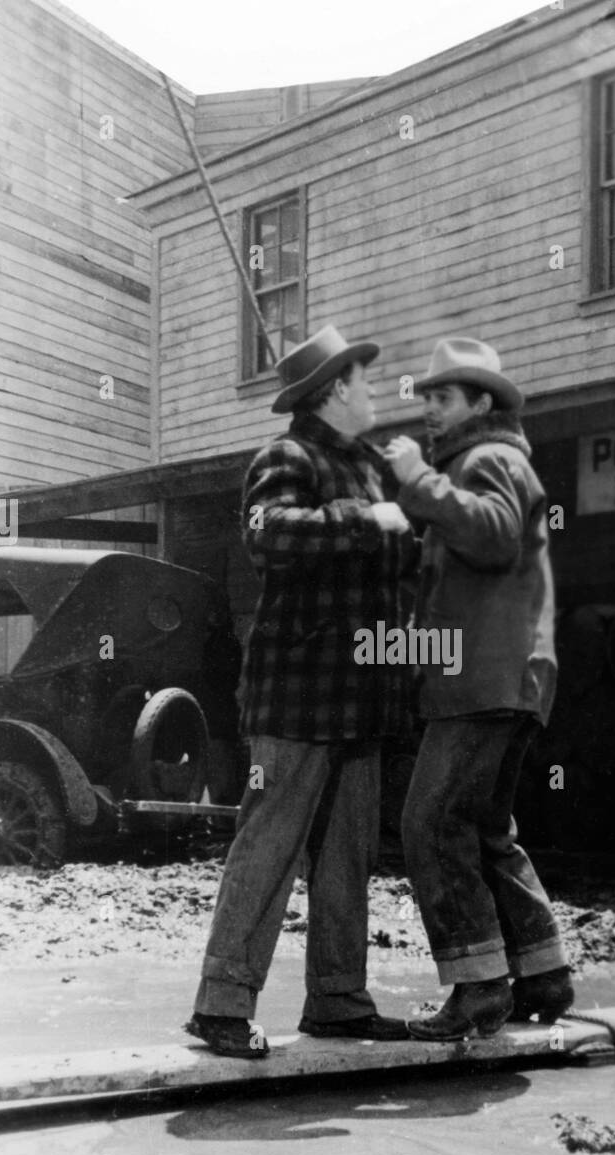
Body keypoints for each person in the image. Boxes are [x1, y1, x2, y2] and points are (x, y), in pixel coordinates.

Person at [186, 325, 418, 1058]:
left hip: (360, 699)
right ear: (335, 391)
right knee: (269, 846)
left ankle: (339, 1000)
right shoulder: (285, 457)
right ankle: (220, 1006)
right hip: (295, 698)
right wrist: (364, 519)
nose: (375, 392)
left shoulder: (369, 468)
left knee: (348, 855)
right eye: (365, 381)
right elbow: (270, 535)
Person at [382, 337, 573, 1041]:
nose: (429, 411)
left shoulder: (486, 460)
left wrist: (416, 483)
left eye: (442, 398)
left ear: (481, 402)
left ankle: (478, 986)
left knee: (429, 823)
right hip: (506, 675)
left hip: (483, 677)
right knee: (486, 828)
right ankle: (542, 973)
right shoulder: (482, 465)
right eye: (426, 399)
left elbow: (492, 538)